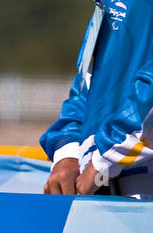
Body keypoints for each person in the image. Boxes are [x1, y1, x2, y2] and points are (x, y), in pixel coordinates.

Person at [43, 0, 153, 199]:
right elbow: (89, 81)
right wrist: (68, 153)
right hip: (100, 193)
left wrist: (104, 161)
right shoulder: (107, 4)